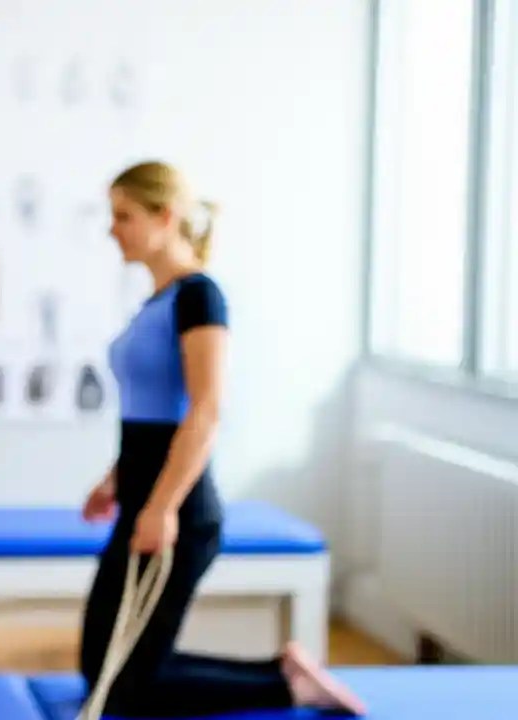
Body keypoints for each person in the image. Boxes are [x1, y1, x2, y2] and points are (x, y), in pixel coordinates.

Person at [77, 160, 366, 717]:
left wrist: (163, 507)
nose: (112, 229)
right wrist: (115, 480)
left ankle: (286, 686)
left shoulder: (200, 297)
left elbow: (206, 410)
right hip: (139, 499)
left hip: (179, 512)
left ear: (166, 217)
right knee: (102, 667)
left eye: (124, 216)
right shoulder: (156, 303)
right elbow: (151, 412)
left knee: (122, 686)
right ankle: (280, 668)